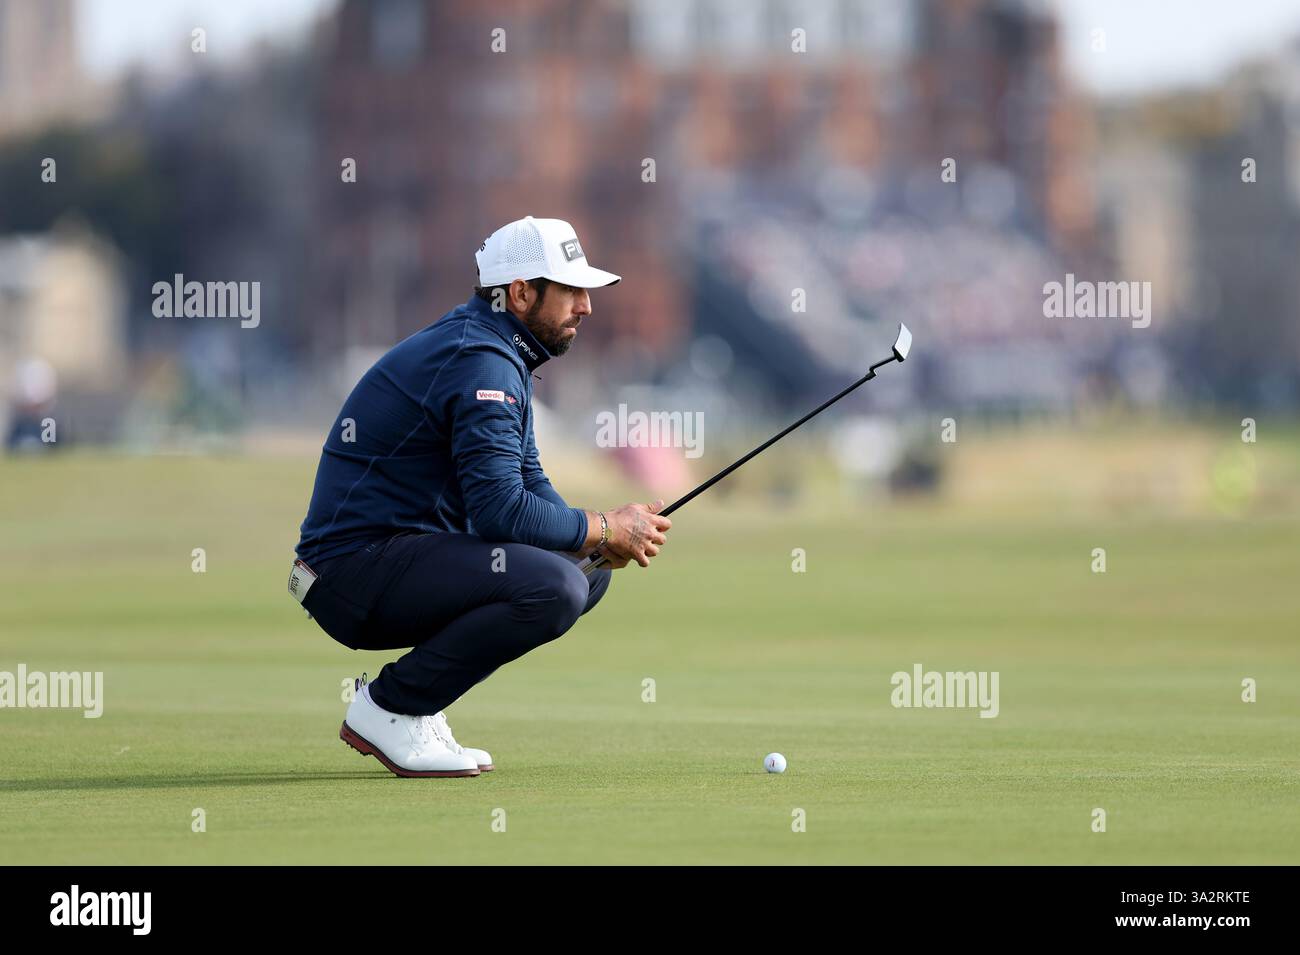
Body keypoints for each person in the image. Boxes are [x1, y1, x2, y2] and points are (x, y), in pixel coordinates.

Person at [290, 216, 671, 778]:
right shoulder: (482, 361)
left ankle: (415, 708)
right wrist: (603, 527)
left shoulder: (495, 351)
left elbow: (527, 479)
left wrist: (594, 536)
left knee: (583, 568)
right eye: (571, 290)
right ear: (520, 293)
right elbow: (499, 510)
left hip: (395, 558)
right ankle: (392, 707)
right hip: (351, 572)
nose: (586, 306)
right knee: (557, 584)